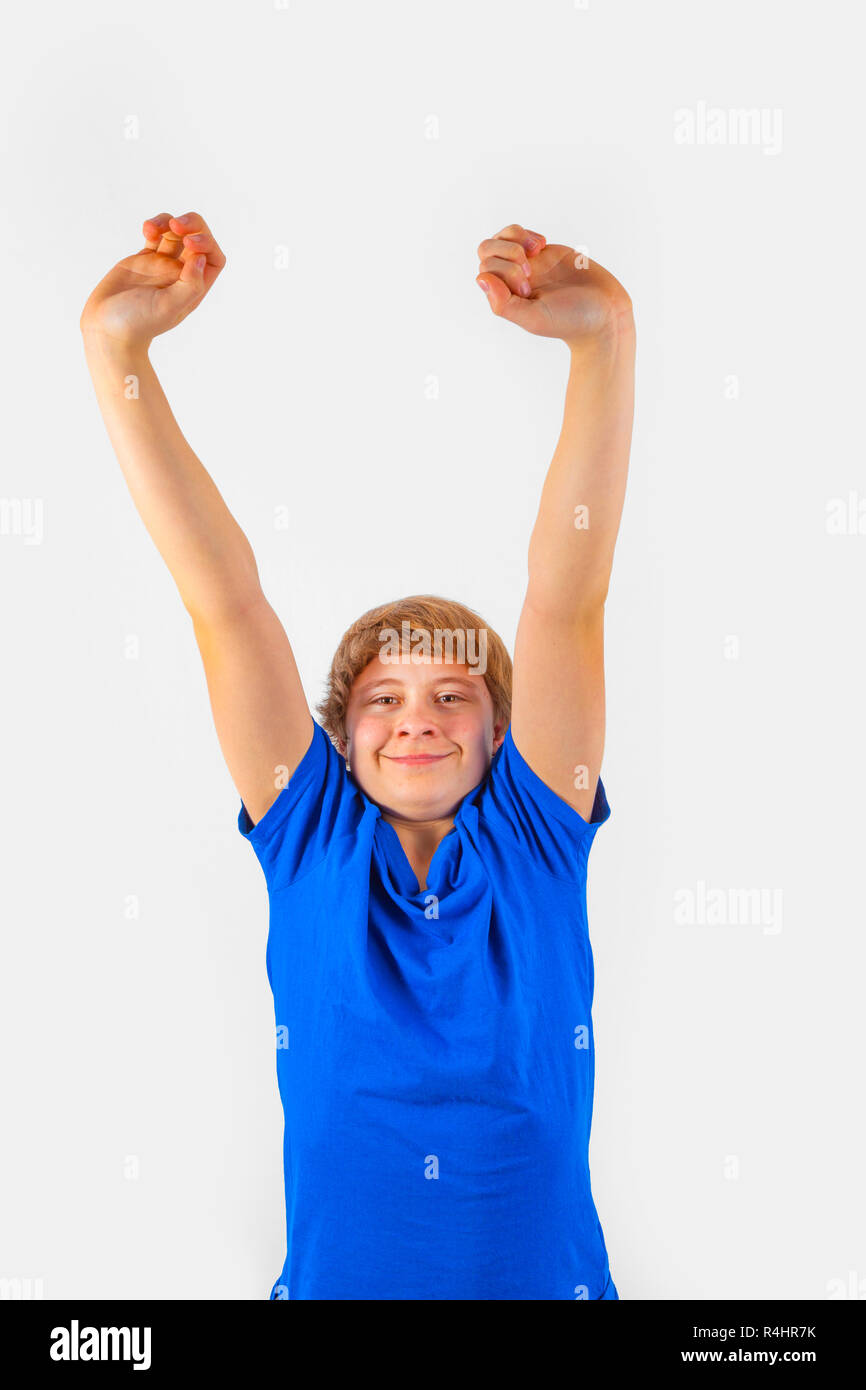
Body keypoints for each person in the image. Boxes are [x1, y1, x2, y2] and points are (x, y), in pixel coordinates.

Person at [80, 213, 636, 1300]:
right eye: (382, 698)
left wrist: (602, 338)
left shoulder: (532, 840)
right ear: (339, 737)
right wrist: (119, 353)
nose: (416, 717)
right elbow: (225, 602)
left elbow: (566, 599)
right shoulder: (312, 841)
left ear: (502, 735)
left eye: (451, 694)